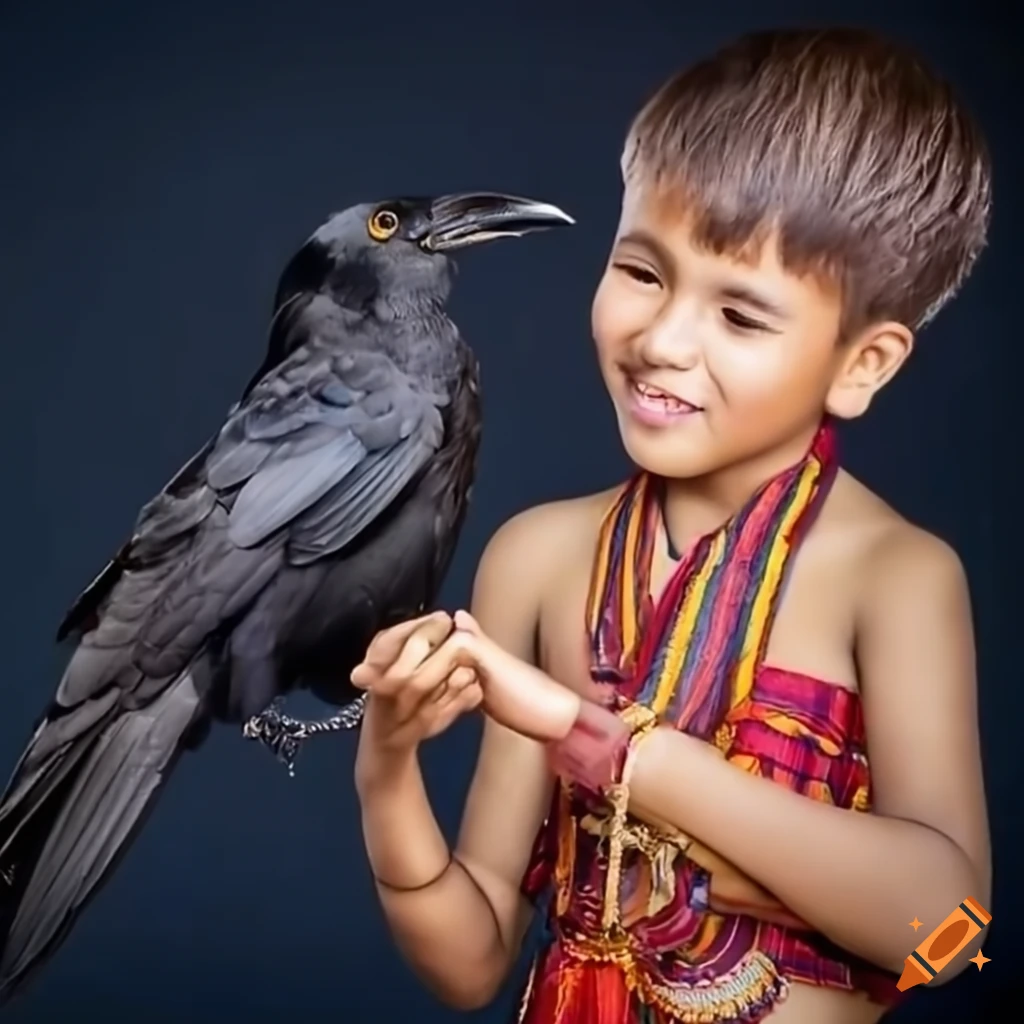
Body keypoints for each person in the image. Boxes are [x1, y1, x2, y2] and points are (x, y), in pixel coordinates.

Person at [351, 26, 992, 1024]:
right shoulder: (538, 558)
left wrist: (597, 742)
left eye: (740, 316)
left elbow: (950, 932)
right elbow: (472, 965)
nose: (660, 339)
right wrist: (385, 769)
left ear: (860, 364)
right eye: (642, 272)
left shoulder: (897, 574)